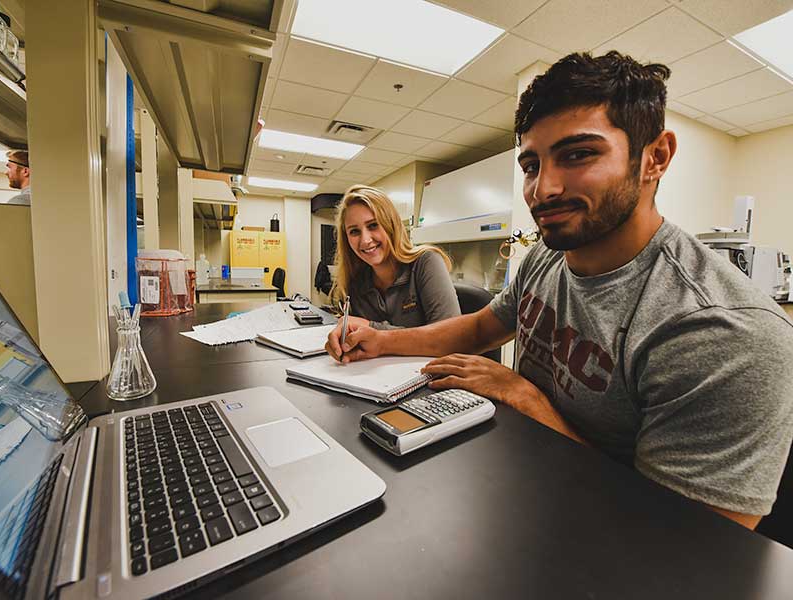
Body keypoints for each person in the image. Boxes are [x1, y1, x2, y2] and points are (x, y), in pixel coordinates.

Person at [326, 52, 793, 530]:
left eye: (578, 155)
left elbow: (681, 542)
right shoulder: (549, 256)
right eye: (532, 165)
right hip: (520, 495)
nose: (542, 189)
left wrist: (526, 399)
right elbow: (482, 327)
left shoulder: (723, 331)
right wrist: (381, 342)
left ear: (655, 157)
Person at [329, 184, 460, 332]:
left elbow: (449, 337)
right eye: (354, 231)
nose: (365, 240)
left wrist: (371, 328)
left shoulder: (426, 262)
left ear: (391, 225)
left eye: (373, 225)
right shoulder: (356, 283)